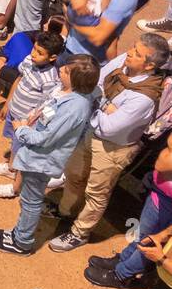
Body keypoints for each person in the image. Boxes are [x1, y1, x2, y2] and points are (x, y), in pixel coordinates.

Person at [49, 35, 170, 250]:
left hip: (114, 148)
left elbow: (110, 127)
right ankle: (66, 211)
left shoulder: (144, 98)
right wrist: (104, 105)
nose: (129, 52)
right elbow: (96, 83)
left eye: (137, 53)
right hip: (91, 133)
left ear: (149, 65)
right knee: (74, 174)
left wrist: (98, 102)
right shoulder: (124, 62)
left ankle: (79, 232)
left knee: (96, 193)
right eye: (133, 47)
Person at [0, 54, 101, 253]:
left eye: (66, 71)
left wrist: (21, 129)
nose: (60, 69)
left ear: (76, 79)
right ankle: (18, 232)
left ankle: (22, 242)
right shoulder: (66, 93)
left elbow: (46, 137)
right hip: (35, 155)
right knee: (27, 198)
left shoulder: (75, 107)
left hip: (41, 160)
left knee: (31, 201)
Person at [0, 28, 65, 199]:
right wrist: (8, 103)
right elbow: (19, 79)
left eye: (39, 53)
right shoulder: (28, 61)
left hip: (26, 121)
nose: (33, 54)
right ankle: (11, 167)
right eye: (34, 49)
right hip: (14, 111)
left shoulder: (50, 79)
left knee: (20, 146)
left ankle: (13, 171)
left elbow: (46, 103)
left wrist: (30, 122)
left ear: (52, 58)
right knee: (13, 141)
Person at [88, 139, 172, 285]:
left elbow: (162, 162)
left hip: (168, 203)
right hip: (160, 193)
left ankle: (122, 275)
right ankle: (123, 259)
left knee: (151, 243)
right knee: (142, 235)